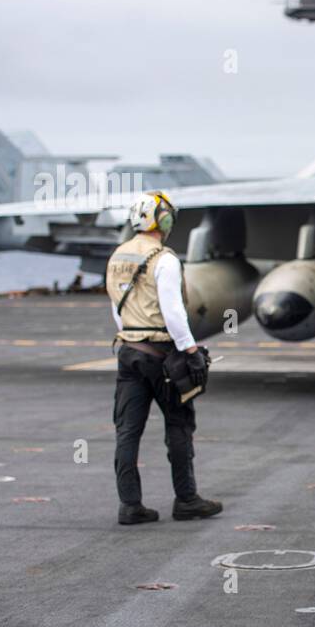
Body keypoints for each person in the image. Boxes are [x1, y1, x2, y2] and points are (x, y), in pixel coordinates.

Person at [106, 192, 222, 525]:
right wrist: (190, 351)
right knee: (179, 426)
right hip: (163, 355)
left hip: (128, 352)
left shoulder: (117, 255)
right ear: (164, 220)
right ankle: (186, 500)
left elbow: (118, 308)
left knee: (128, 431)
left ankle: (130, 505)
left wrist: (131, 333)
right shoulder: (165, 258)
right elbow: (173, 312)